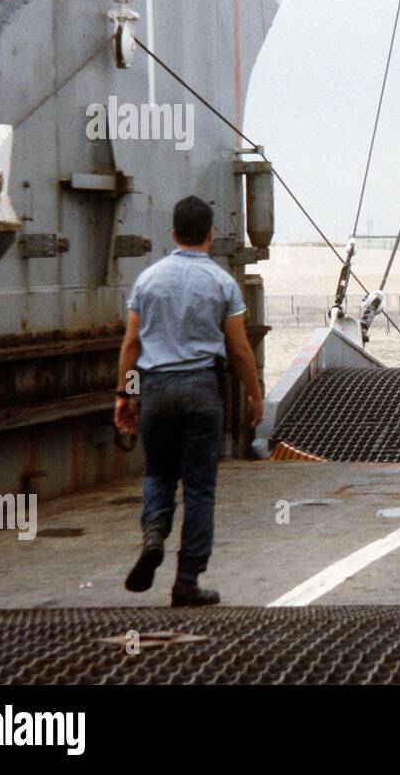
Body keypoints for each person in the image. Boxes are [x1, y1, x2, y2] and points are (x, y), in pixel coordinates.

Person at [115, 196, 263, 607]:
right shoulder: (222, 283)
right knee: (199, 487)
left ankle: (153, 537)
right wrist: (254, 393)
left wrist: (124, 395)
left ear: (173, 232)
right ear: (211, 235)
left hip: (157, 389)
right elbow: (239, 350)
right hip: (201, 390)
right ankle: (187, 581)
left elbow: (131, 344)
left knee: (158, 475)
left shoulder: (148, 280)